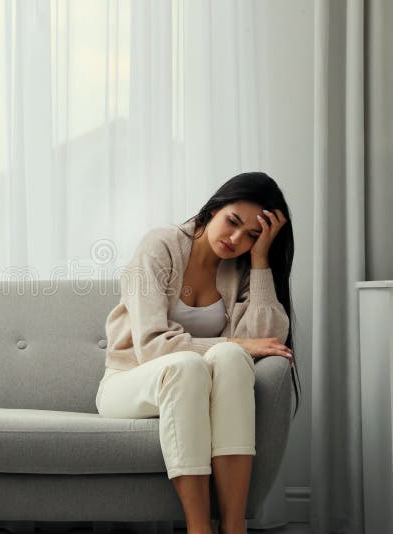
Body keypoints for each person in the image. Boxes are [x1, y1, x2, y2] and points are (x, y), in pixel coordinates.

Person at [97, 172, 301, 534]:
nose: (235, 239)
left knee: (230, 359)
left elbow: (265, 340)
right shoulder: (160, 245)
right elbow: (153, 345)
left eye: (252, 235)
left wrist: (259, 260)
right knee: (192, 364)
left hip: (195, 388)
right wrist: (236, 343)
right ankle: (198, 528)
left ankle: (234, 527)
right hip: (129, 382)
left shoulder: (240, 268)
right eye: (232, 222)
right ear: (213, 209)